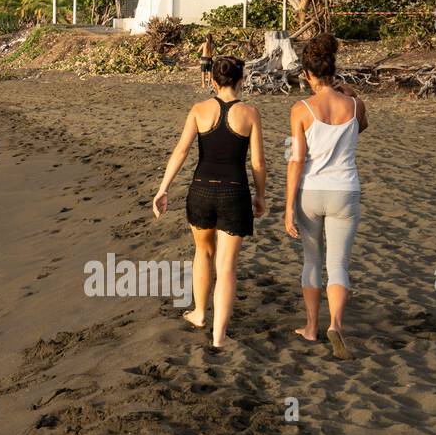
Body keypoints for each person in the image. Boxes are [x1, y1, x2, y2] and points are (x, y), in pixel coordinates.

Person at [152, 56, 266, 350]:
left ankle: (200, 313)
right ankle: (219, 337)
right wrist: (261, 194)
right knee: (227, 267)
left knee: (202, 253)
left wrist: (163, 189)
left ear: (213, 81)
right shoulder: (250, 113)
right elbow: (258, 163)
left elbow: (181, 151)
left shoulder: (199, 110)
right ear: (242, 80)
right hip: (234, 193)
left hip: (201, 191)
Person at [286, 33, 367, 361]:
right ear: (333, 72)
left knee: (312, 261)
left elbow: (297, 160)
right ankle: (335, 324)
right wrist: (352, 95)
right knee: (338, 265)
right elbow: (361, 126)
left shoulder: (301, 109)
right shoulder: (354, 104)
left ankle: (310, 326)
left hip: (311, 190)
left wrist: (288, 206)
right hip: (345, 190)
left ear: (308, 74)